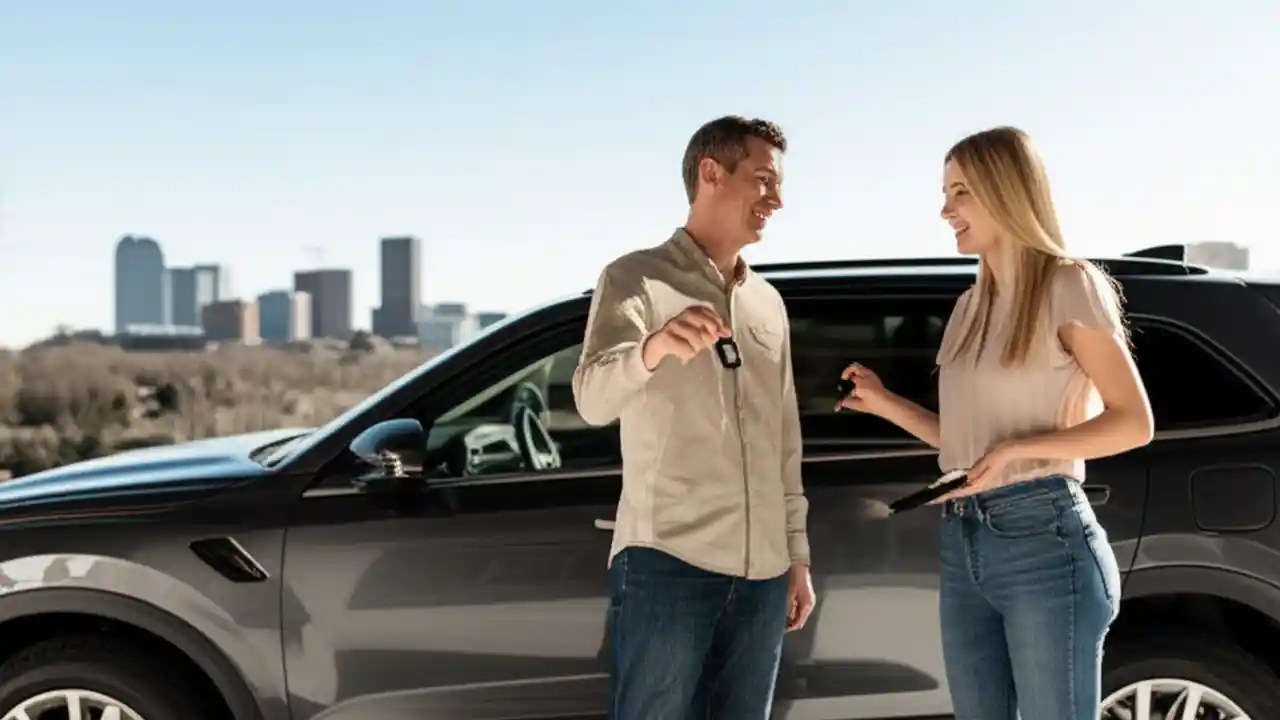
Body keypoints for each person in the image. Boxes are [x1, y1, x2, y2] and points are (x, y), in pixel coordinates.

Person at [838, 126, 1154, 719]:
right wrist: (885, 403)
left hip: (1044, 540)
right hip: (964, 540)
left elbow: (1134, 422)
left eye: (960, 192)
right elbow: (969, 446)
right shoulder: (969, 307)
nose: (945, 210)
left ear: (1006, 191)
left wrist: (1015, 450)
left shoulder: (1069, 285)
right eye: (945, 194)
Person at [572, 115, 814, 719]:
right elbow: (592, 399)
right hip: (669, 563)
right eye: (764, 180)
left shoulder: (767, 304)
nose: (777, 200)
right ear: (712, 173)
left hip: (764, 576)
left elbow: (784, 441)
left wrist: (796, 555)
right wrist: (652, 349)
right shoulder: (635, 278)